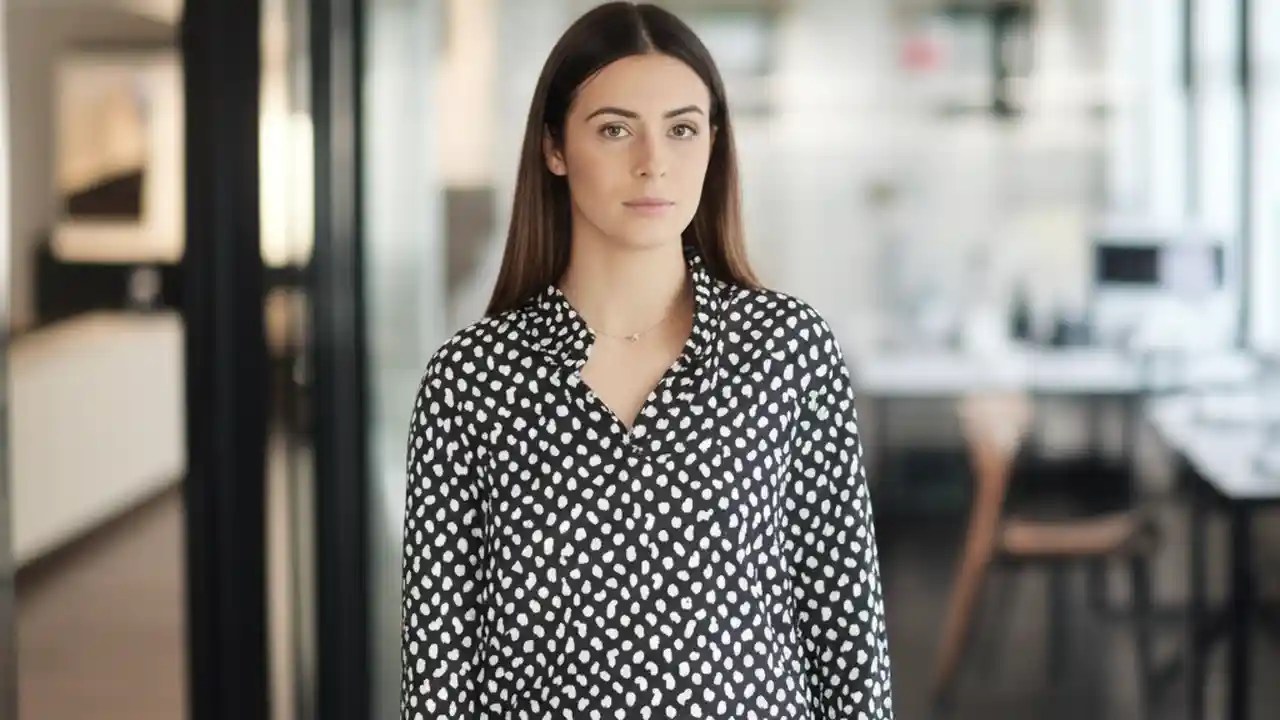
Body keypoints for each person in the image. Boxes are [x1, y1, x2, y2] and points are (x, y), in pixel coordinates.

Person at [400, 3, 893, 718]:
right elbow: (440, 666)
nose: (653, 161)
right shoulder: (471, 380)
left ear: (714, 145)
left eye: (683, 128)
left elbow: (846, 629)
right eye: (614, 129)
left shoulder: (786, 351)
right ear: (554, 148)